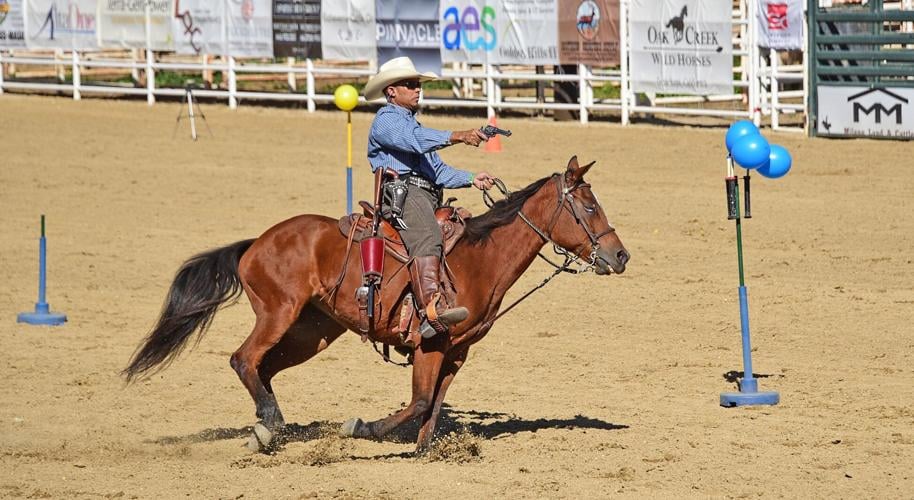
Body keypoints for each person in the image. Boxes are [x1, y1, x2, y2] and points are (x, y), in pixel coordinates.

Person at [363, 56, 495, 338]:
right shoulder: (386, 120)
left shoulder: (415, 126)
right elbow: (414, 141)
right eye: (409, 85)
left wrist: (472, 179)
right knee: (429, 236)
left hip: (426, 195)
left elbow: (438, 171)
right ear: (391, 91)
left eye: (418, 85)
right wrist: (459, 135)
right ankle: (431, 310)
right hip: (403, 194)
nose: (417, 89)